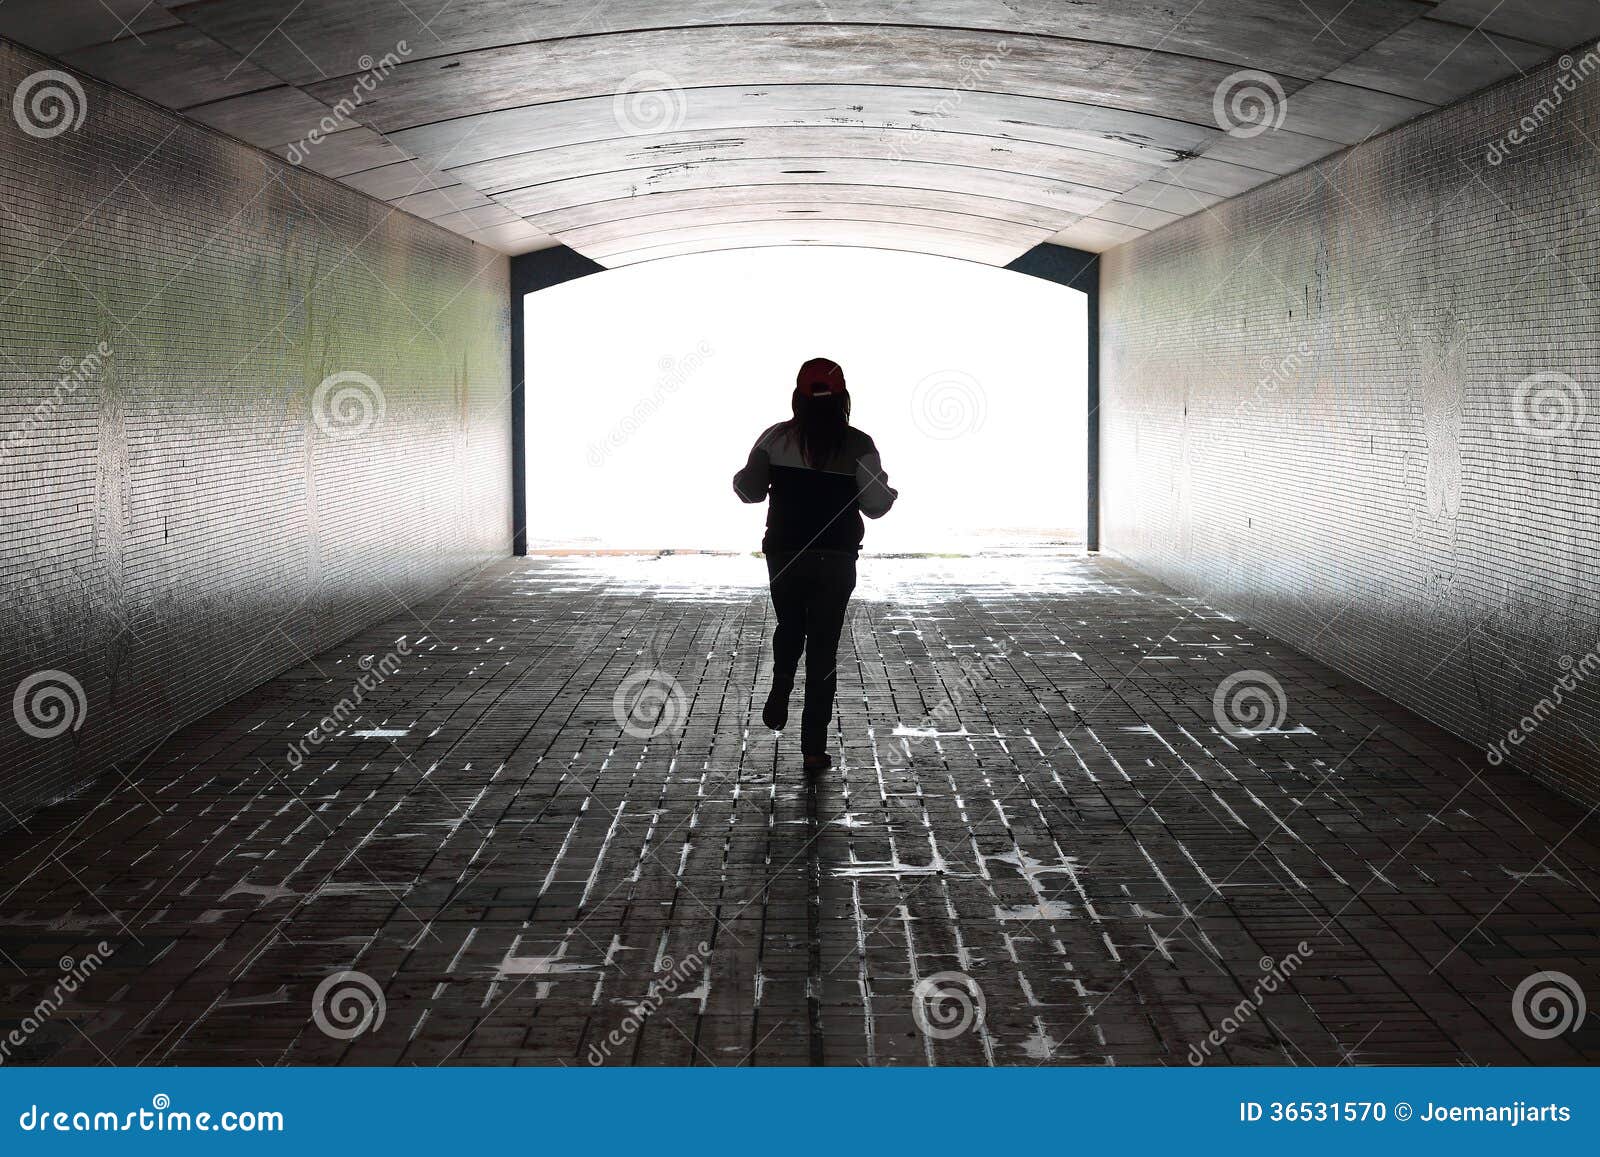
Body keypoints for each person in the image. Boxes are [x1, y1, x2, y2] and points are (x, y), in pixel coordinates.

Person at [733, 357, 897, 772]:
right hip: (836, 557)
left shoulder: (774, 439)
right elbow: (876, 507)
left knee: (790, 625)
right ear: (843, 398)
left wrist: (743, 476)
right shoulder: (859, 444)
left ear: (797, 398)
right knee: (823, 649)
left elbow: (750, 492)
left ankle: (781, 686)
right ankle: (813, 748)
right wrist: (886, 492)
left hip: (785, 555)